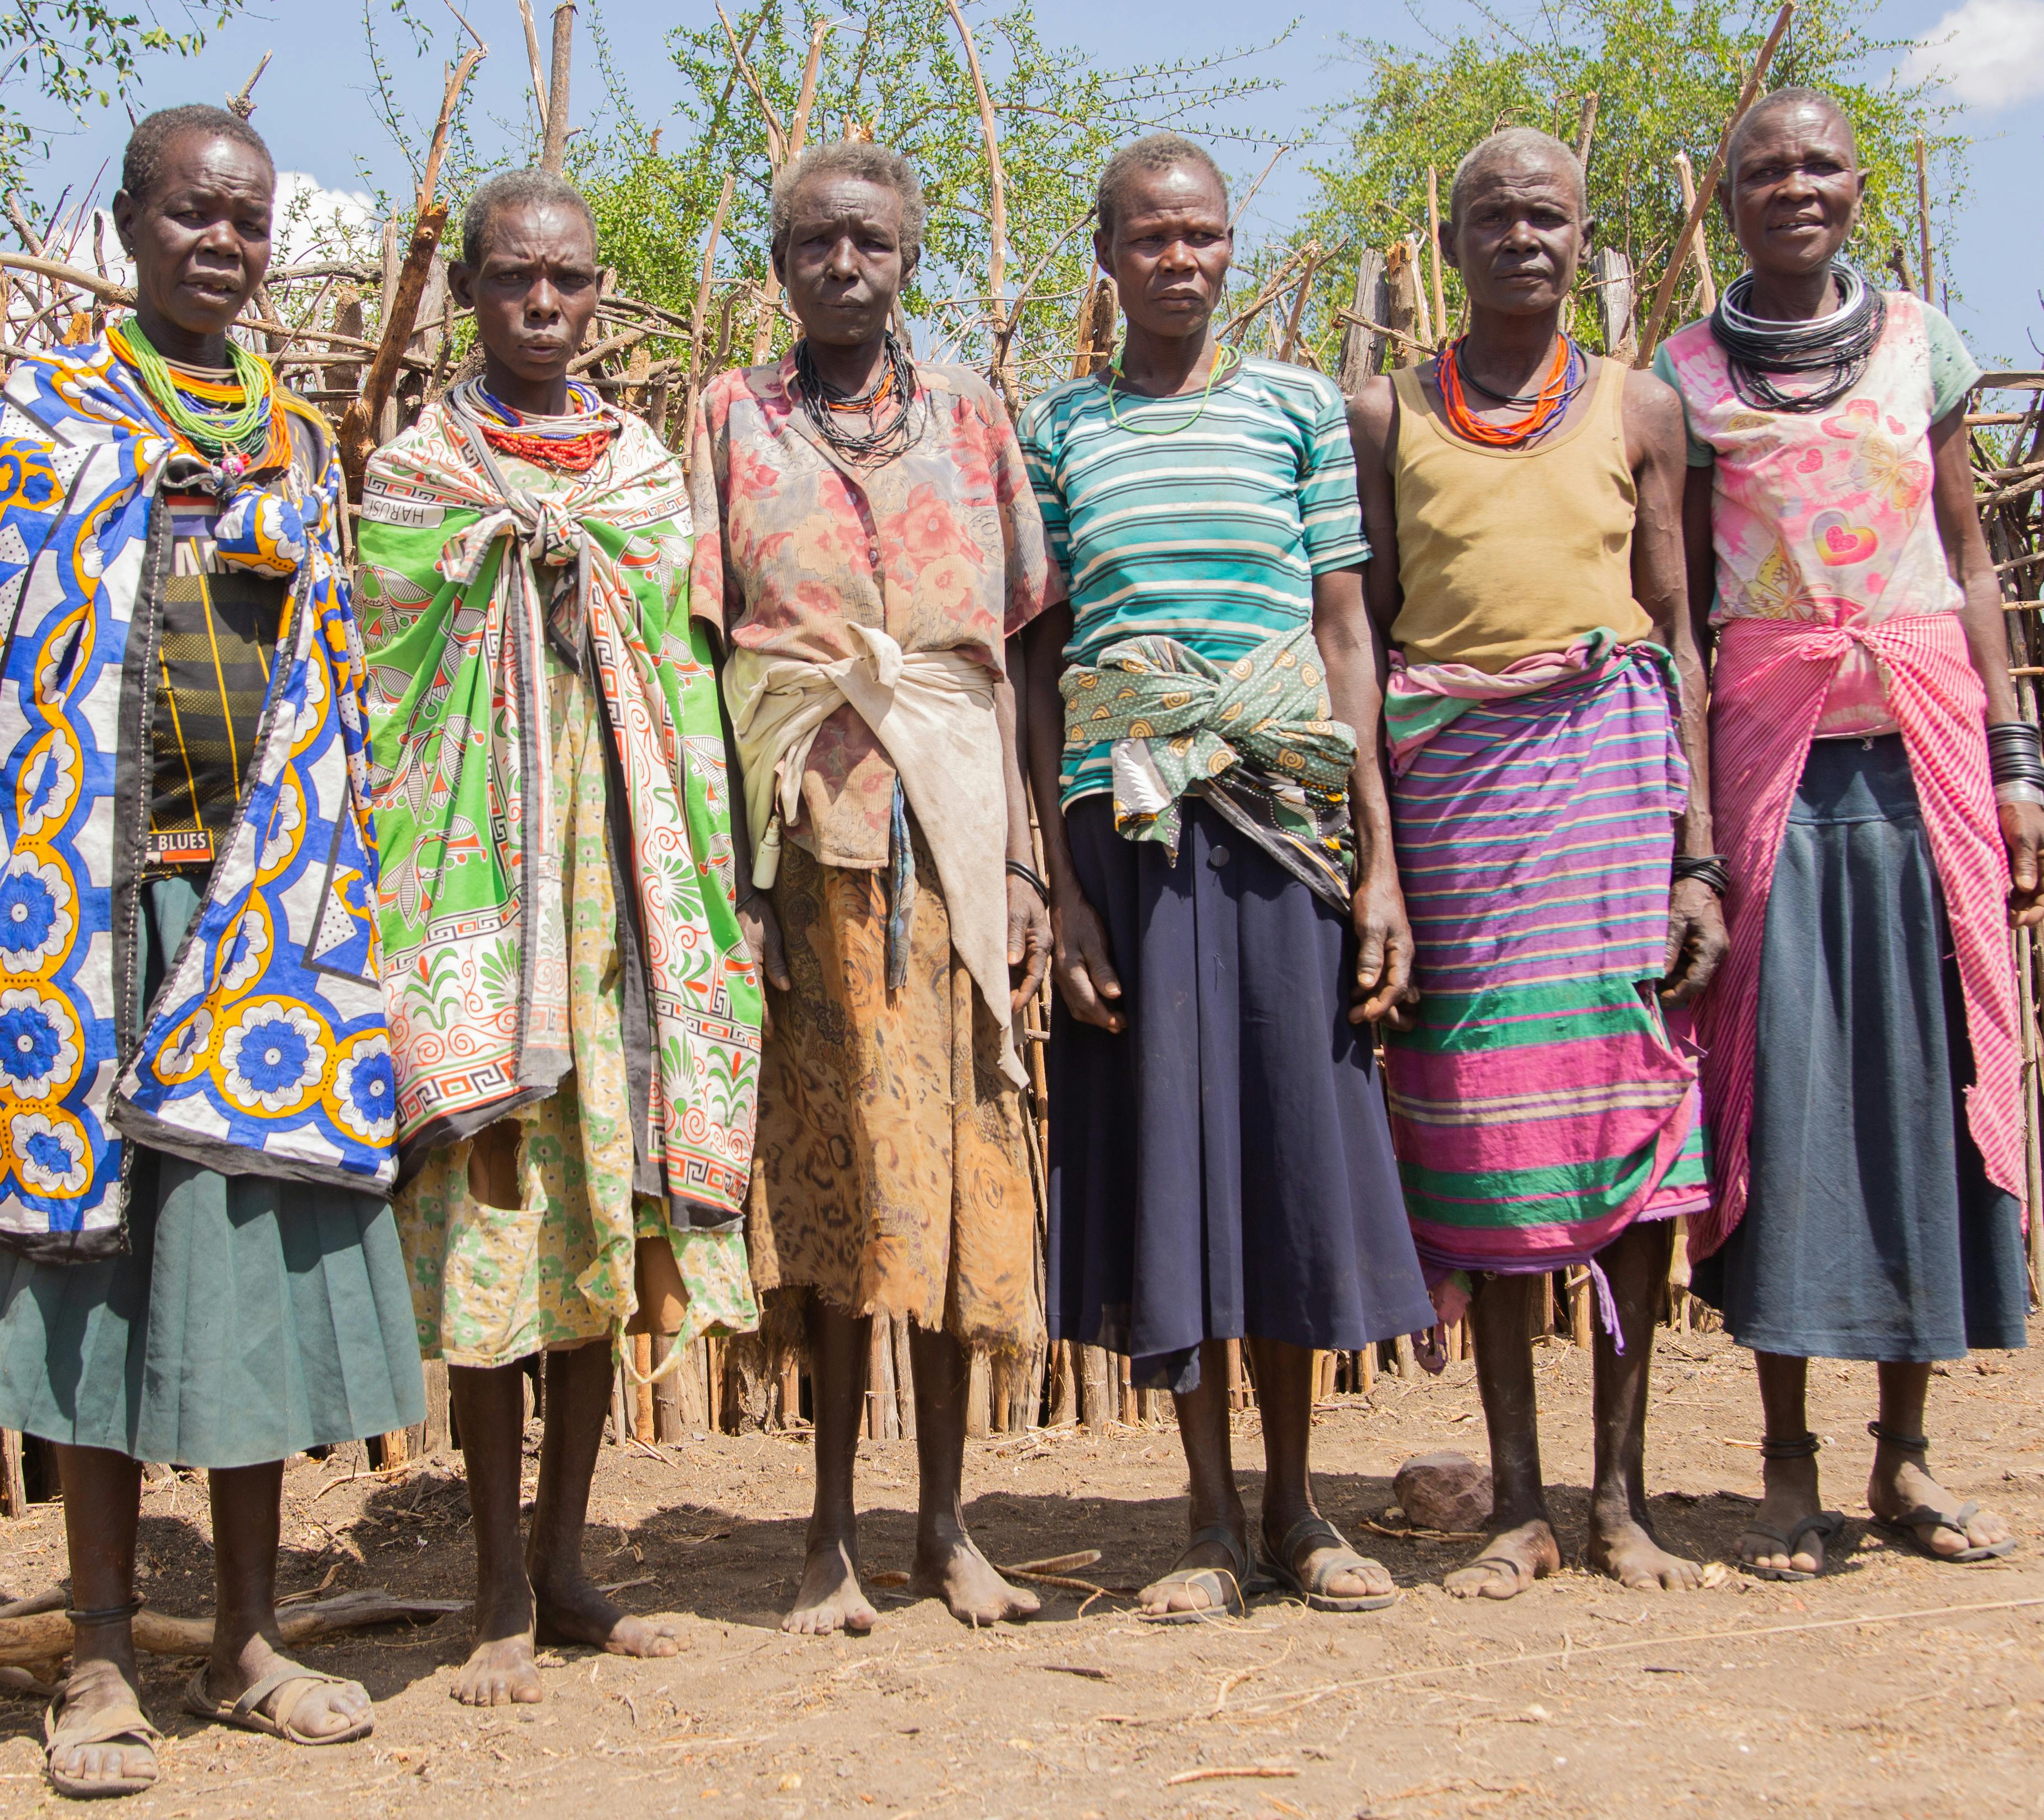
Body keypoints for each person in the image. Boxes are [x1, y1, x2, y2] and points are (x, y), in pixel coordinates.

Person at [0, 105, 416, 1796]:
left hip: (259, 913)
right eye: (194, 214)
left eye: (250, 220)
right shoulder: (55, 409)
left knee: (247, 1280)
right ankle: (101, 1654)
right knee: (97, 1299)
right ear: (128, 223)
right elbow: (1, 633)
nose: (224, 243)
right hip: (87, 900)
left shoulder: (295, 434)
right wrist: (154, 497)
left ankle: (253, 1640)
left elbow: (336, 658)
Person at [356, 169, 764, 1703]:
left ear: (599, 297)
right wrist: (505, 568)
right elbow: (382, 673)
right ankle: (490, 1592)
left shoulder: (647, 472)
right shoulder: (420, 473)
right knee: (493, 1249)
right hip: (481, 906)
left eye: (571, 281)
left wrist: (576, 564)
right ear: (466, 290)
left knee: (597, 1244)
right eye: (515, 278)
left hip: (624, 906)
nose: (545, 304)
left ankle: (571, 1560)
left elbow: (684, 667)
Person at [1018, 133, 1435, 1621]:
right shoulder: (1058, 432)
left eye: (1201, 234)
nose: (1180, 259)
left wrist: (1374, 862)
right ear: (1108, 254)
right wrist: (1060, 890)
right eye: (1150, 237)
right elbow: (1043, 660)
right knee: (1170, 1158)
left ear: (1228, 246)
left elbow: (1343, 636)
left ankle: (1299, 1511)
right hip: (1128, 831)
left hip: (1285, 818)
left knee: (1287, 1154)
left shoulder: (1297, 412)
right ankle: (1201, 1522)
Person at [1661, 86, 2044, 1578]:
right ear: (1731, 192)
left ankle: (1908, 1456)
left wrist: (2016, 764)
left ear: (1856, 182)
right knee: (1776, 1098)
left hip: (1927, 770)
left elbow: (1969, 553)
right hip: (1771, 767)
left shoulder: (1922, 347)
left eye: (1819, 164)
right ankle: (1784, 1462)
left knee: (1921, 1091)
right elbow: (1683, 606)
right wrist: (1689, 814)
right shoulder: (1685, 377)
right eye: (1765, 168)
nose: (1795, 189)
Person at [1347, 129, 1728, 1600]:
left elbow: (1681, 626)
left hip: (1615, 790)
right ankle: (1517, 1501)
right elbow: (1367, 642)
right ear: (1448, 247)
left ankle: (1621, 1499)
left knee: (1630, 1115)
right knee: (1483, 1134)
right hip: (1452, 803)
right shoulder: (1386, 416)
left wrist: (1697, 849)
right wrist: (1373, 846)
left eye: (1547, 216)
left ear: (1583, 241)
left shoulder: (1641, 408)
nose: (1521, 236)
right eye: (1491, 215)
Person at [689, 140, 1060, 1635]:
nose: (846, 267)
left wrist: (1028, 861)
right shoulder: (732, 416)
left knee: (969, 1183)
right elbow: (706, 653)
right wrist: (742, 883)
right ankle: (827, 1537)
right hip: (810, 835)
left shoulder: (972, 417)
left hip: (960, 834)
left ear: (911, 260)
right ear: (780, 270)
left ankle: (950, 1527)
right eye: (816, 246)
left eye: (873, 245)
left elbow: (1017, 658)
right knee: (836, 1192)